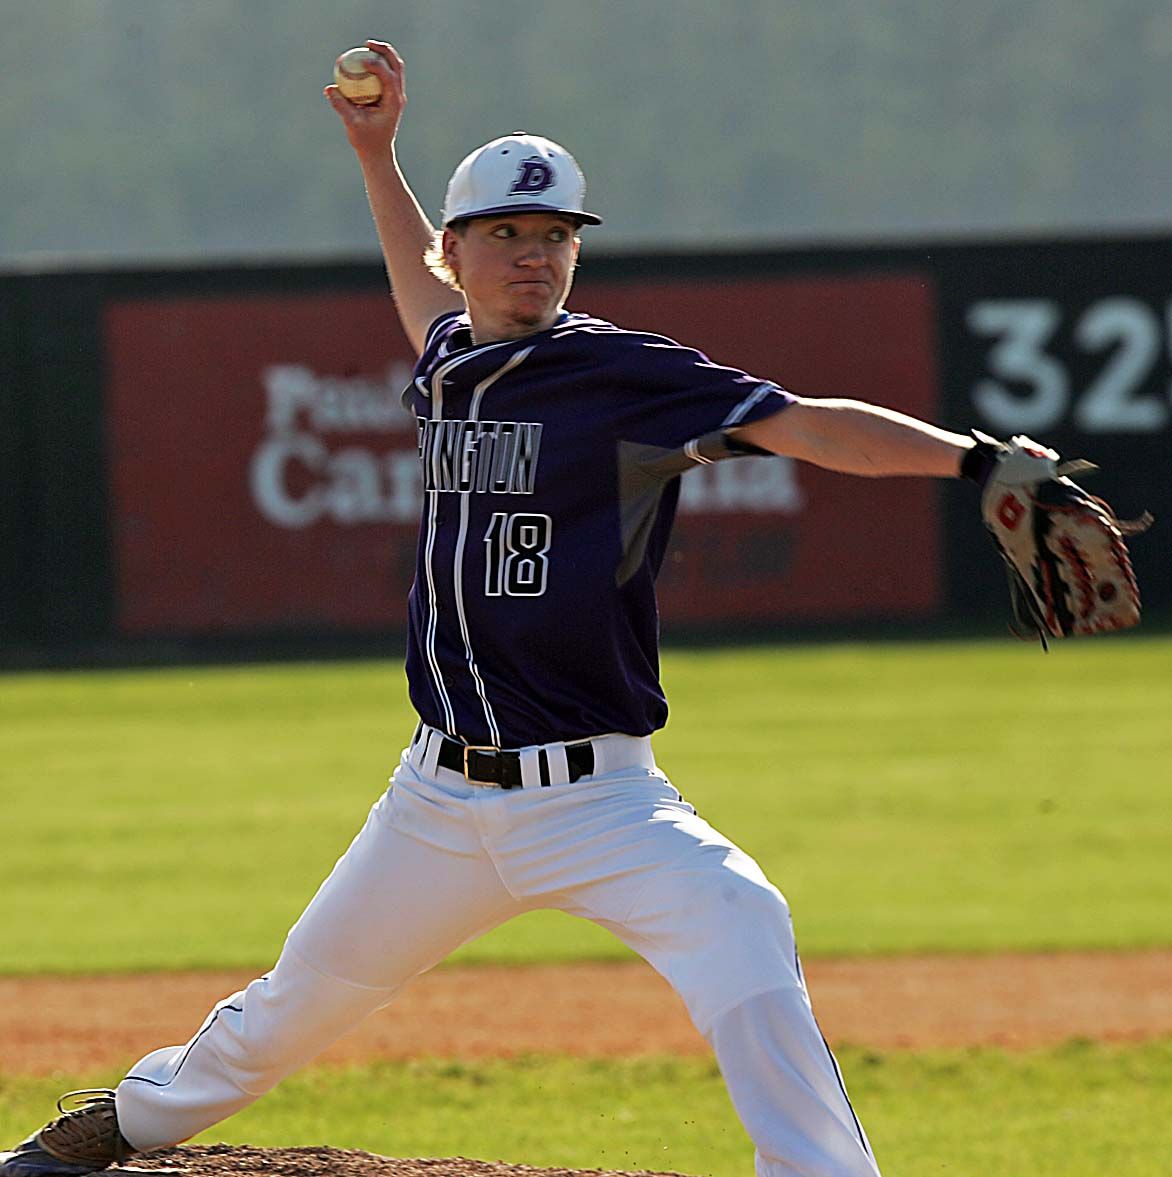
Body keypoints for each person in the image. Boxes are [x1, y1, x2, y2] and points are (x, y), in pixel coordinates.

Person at [2, 39, 1012, 1177]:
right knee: (295, 1002)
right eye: (504, 234)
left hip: (598, 797)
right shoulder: (449, 359)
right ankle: (116, 1128)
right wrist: (377, 158)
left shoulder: (627, 377)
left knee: (742, 927)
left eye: (554, 236)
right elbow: (412, 293)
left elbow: (808, 423)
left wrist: (975, 464)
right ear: (458, 249)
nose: (533, 256)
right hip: (434, 800)